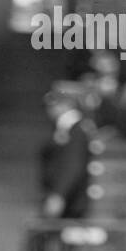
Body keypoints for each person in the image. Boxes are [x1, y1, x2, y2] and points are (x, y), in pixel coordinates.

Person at [40, 82, 90, 219]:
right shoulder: (65, 128)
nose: (50, 109)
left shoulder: (75, 130)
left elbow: (73, 164)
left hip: (70, 200)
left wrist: (59, 194)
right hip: (63, 197)